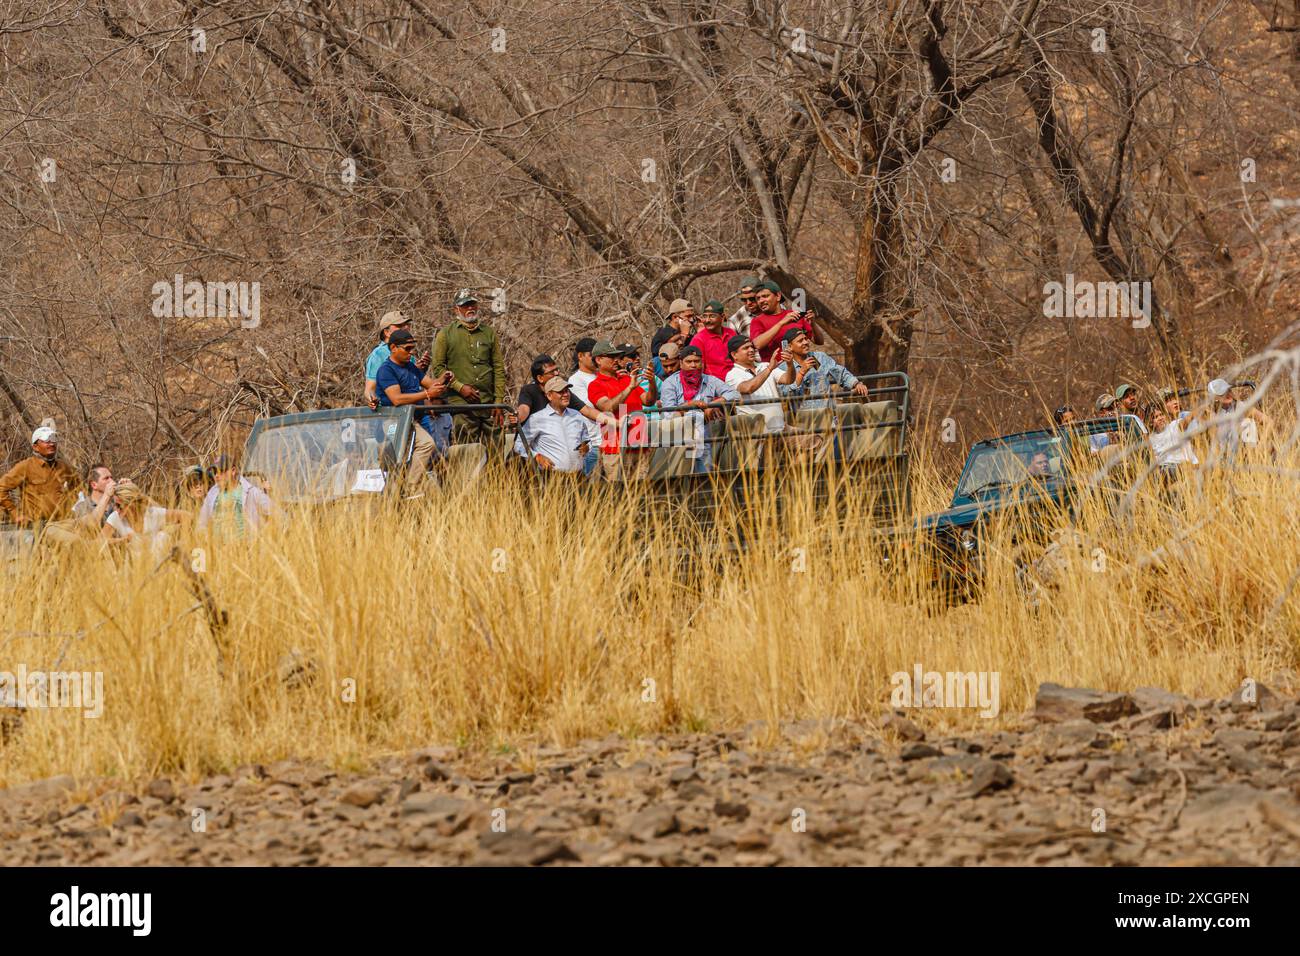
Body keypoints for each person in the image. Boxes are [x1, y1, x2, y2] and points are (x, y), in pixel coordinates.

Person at [430, 289, 506, 444]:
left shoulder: (489, 333)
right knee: (467, 453)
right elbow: (438, 368)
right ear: (456, 309)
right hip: (461, 405)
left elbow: (498, 368)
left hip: (489, 403)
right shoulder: (445, 334)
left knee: (497, 451)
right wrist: (460, 387)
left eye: (472, 304)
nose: (470, 308)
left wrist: (498, 401)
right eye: (465, 305)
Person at [376, 328, 454, 477]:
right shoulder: (386, 370)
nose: (411, 352)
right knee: (419, 448)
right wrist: (426, 394)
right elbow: (396, 399)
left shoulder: (411, 367)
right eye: (407, 348)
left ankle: (411, 486)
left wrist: (443, 379)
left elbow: (431, 384)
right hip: (393, 421)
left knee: (425, 449)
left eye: (413, 348)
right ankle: (409, 487)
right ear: (393, 348)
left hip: (412, 420)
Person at [658, 345, 740, 471]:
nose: (693, 365)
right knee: (683, 476)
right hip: (680, 437)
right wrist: (690, 405)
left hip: (705, 437)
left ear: (702, 363)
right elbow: (668, 415)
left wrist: (715, 404)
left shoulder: (710, 380)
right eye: (689, 361)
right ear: (681, 363)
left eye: (696, 361)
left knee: (705, 475)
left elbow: (735, 394)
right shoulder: (670, 383)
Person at [587, 340, 653, 482]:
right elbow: (607, 407)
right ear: (598, 360)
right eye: (611, 357)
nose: (616, 360)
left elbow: (649, 400)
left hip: (640, 446)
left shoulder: (627, 379)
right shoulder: (595, 385)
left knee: (643, 495)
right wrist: (629, 388)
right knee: (618, 495)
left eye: (617, 356)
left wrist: (652, 382)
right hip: (615, 450)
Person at [514, 354, 616, 434]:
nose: (556, 374)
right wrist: (517, 417)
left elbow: (588, 411)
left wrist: (615, 422)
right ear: (540, 378)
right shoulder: (529, 390)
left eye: (557, 370)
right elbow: (524, 409)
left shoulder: (564, 392)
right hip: (529, 452)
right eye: (551, 372)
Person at [0, 426, 79, 529]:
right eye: (46, 441)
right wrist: (14, 512)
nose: (51, 444)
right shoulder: (25, 466)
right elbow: (1, 488)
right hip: (35, 526)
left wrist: (68, 507)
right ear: (35, 447)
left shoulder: (63, 467)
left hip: (62, 523)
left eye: (54, 440)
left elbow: (78, 488)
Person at [774, 329, 869, 409]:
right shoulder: (783, 368)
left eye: (806, 339)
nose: (806, 342)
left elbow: (838, 371)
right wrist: (801, 372)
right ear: (790, 347)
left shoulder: (820, 357)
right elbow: (785, 395)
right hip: (803, 419)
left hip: (827, 414)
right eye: (800, 341)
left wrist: (856, 383)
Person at [515, 377, 588, 473]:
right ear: (549, 395)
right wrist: (536, 456)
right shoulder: (537, 418)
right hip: (551, 478)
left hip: (578, 477)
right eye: (560, 392)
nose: (566, 394)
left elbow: (586, 439)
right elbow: (519, 444)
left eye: (567, 391)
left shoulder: (576, 415)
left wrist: (586, 446)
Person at [101, 479, 188, 555]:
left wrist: (181, 540)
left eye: (119, 505)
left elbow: (187, 516)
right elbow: (100, 541)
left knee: (162, 536)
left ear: (132, 504)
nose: (116, 508)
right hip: (134, 568)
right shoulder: (115, 517)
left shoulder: (152, 513)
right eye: (114, 504)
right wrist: (123, 540)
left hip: (158, 565)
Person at [198, 454, 275, 539]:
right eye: (215, 472)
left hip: (244, 548)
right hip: (218, 548)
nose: (217, 475)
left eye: (221, 471)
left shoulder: (251, 492)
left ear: (233, 471)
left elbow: (279, 516)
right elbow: (201, 524)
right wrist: (207, 541)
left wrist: (261, 537)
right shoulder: (212, 494)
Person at [365, 310, 428, 410]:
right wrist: (372, 399)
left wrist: (419, 369)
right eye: (399, 326)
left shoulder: (406, 350)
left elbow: (404, 379)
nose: (406, 327)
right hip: (389, 413)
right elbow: (370, 389)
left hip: (411, 410)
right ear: (386, 332)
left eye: (406, 324)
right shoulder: (378, 354)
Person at [724, 335, 785, 434]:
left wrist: (790, 364)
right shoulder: (732, 375)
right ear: (734, 355)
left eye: (751, 347)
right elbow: (748, 388)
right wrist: (769, 369)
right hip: (757, 434)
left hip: (781, 428)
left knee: (815, 439)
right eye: (746, 348)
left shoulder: (764, 365)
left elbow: (787, 379)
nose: (751, 350)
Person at [748, 281, 821, 363]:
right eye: (758, 298)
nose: (761, 301)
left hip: (803, 365)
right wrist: (781, 323)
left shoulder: (795, 315)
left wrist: (813, 323)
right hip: (777, 370)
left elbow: (819, 341)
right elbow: (757, 344)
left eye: (765, 296)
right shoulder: (757, 321)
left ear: (778, 296)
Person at [689, 300, 735, 380]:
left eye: (712, 316)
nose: (707, 320)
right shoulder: (698, 339)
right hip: (715, 384)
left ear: (722, 317)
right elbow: (696, 368)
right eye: (705, 316)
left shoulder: (731, 333)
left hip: (737, 379)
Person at [1147, 403, 1199, 473]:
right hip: (1166, 472)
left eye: (1161, 415)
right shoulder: (1151, 439)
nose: (1160, 418)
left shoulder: (1174, 425)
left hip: (1186, 467)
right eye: (1155, 417)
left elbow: (1188, 419)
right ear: (1150, 422)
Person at [72, 464, 118, 530]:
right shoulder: (82, 506)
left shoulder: (116, 503)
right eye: (106, 478)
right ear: (94, 485)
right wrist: (107, 495)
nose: (112, 481)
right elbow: (90, 524)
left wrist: (129, 493)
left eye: (111, 477)